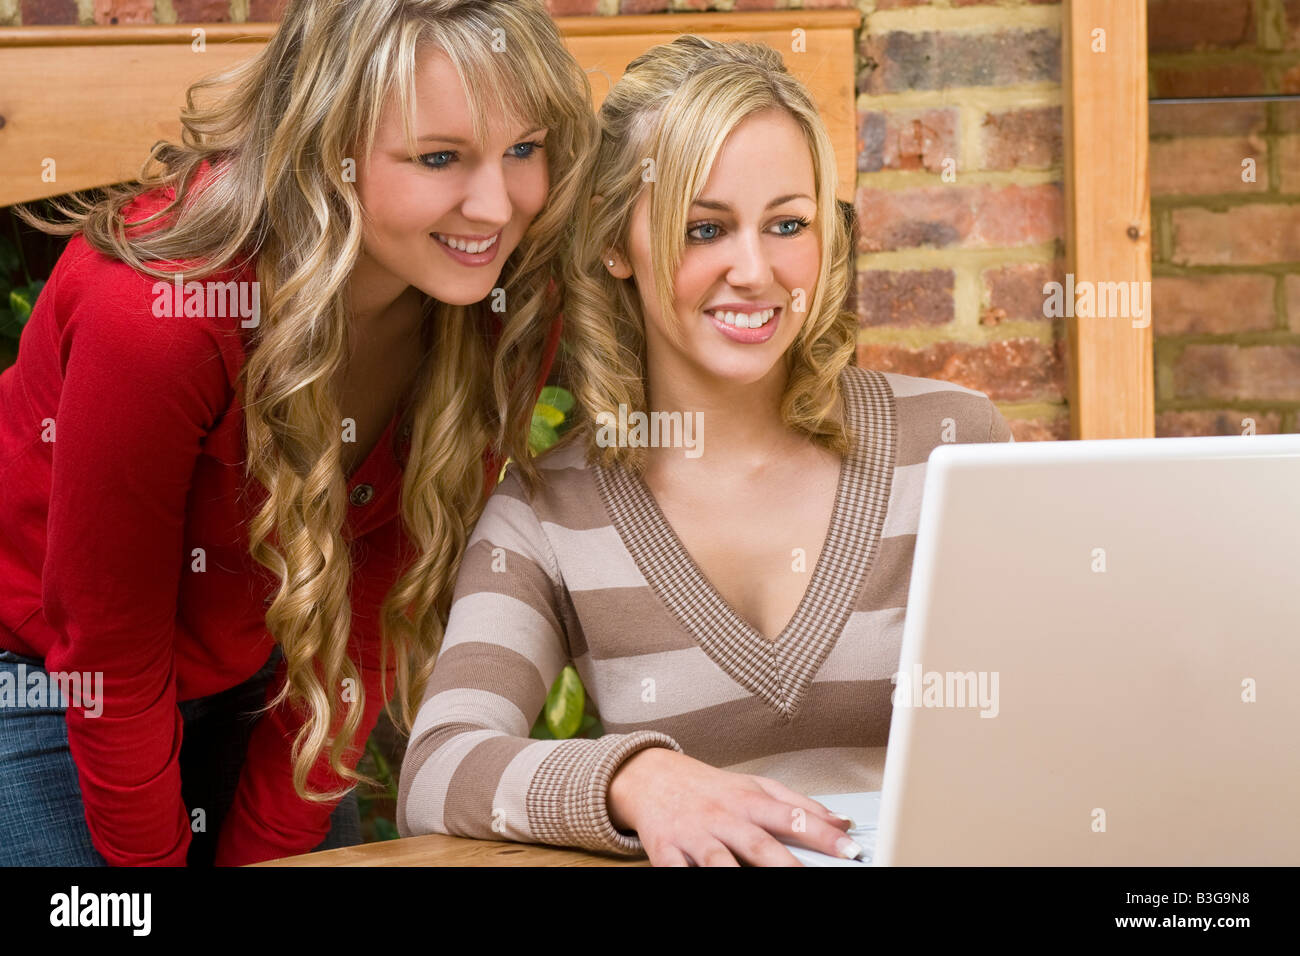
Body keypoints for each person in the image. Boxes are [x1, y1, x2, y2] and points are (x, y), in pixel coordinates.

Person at [0, 0, 597, 866]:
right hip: (47, 675)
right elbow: (109, 651)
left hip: (259, 678)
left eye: (523, 150)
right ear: (329, 155)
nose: (496, 206)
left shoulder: (505, 299)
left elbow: (368, 607)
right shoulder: (160, 316)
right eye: (439, 158)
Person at [396, 35, 1015, 866]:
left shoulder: (953, 444)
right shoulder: (548, 508)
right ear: (616, 242)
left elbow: (1072, 709)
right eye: (704, 228)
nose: (754, 270)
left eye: (787, 224)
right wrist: (639, 779)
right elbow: (437, 771)